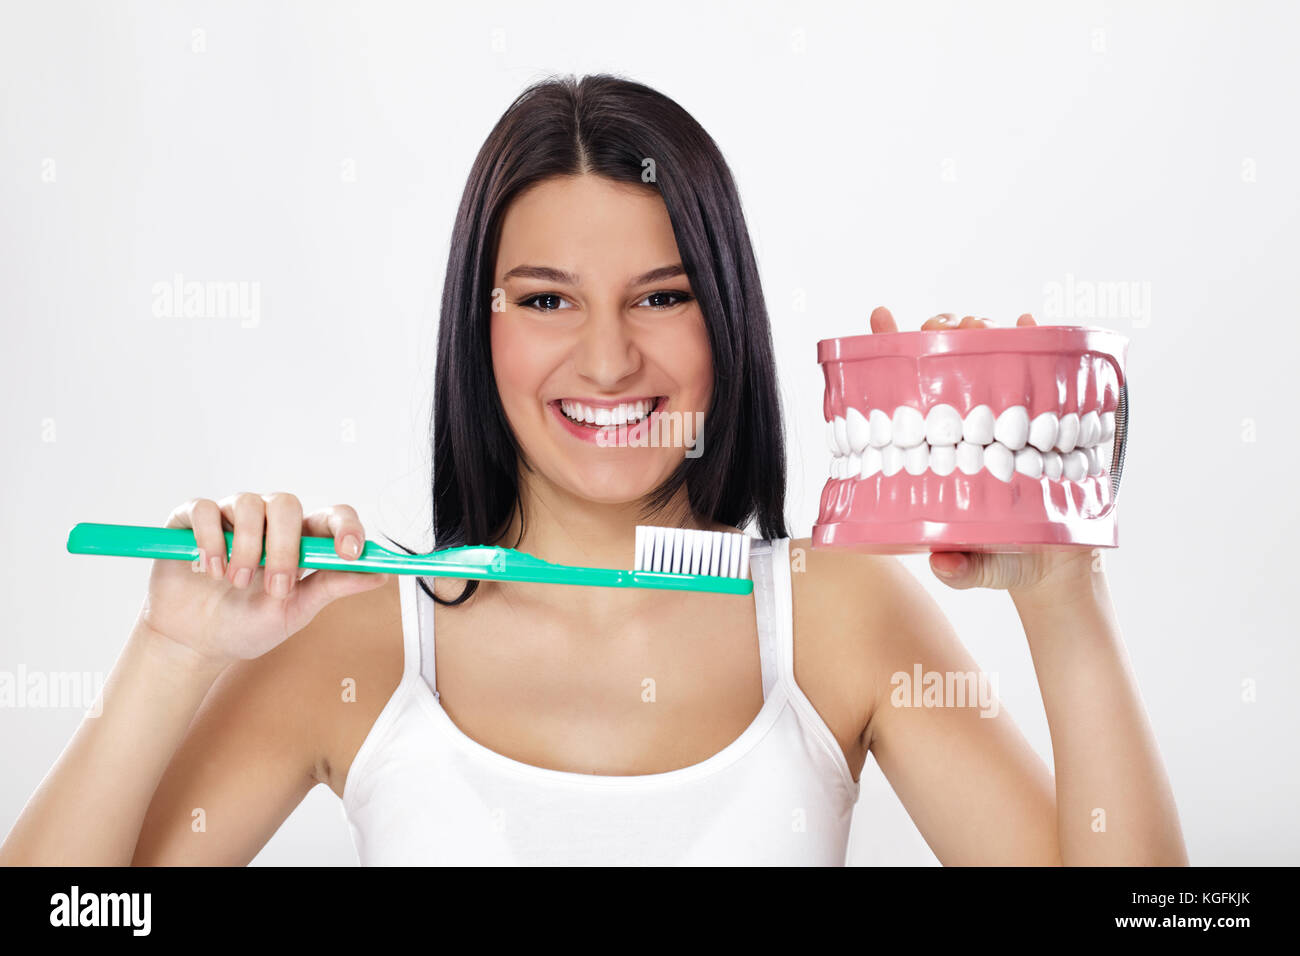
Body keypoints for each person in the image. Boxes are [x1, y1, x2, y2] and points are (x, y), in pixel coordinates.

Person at [0, 73, 1187, 866]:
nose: (610, 358)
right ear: (483, 330)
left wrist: (1059, 591)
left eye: (662, 297)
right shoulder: (356, 635)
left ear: (727, 318)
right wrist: (173, 653)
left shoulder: (832, 611)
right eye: (546, 299)